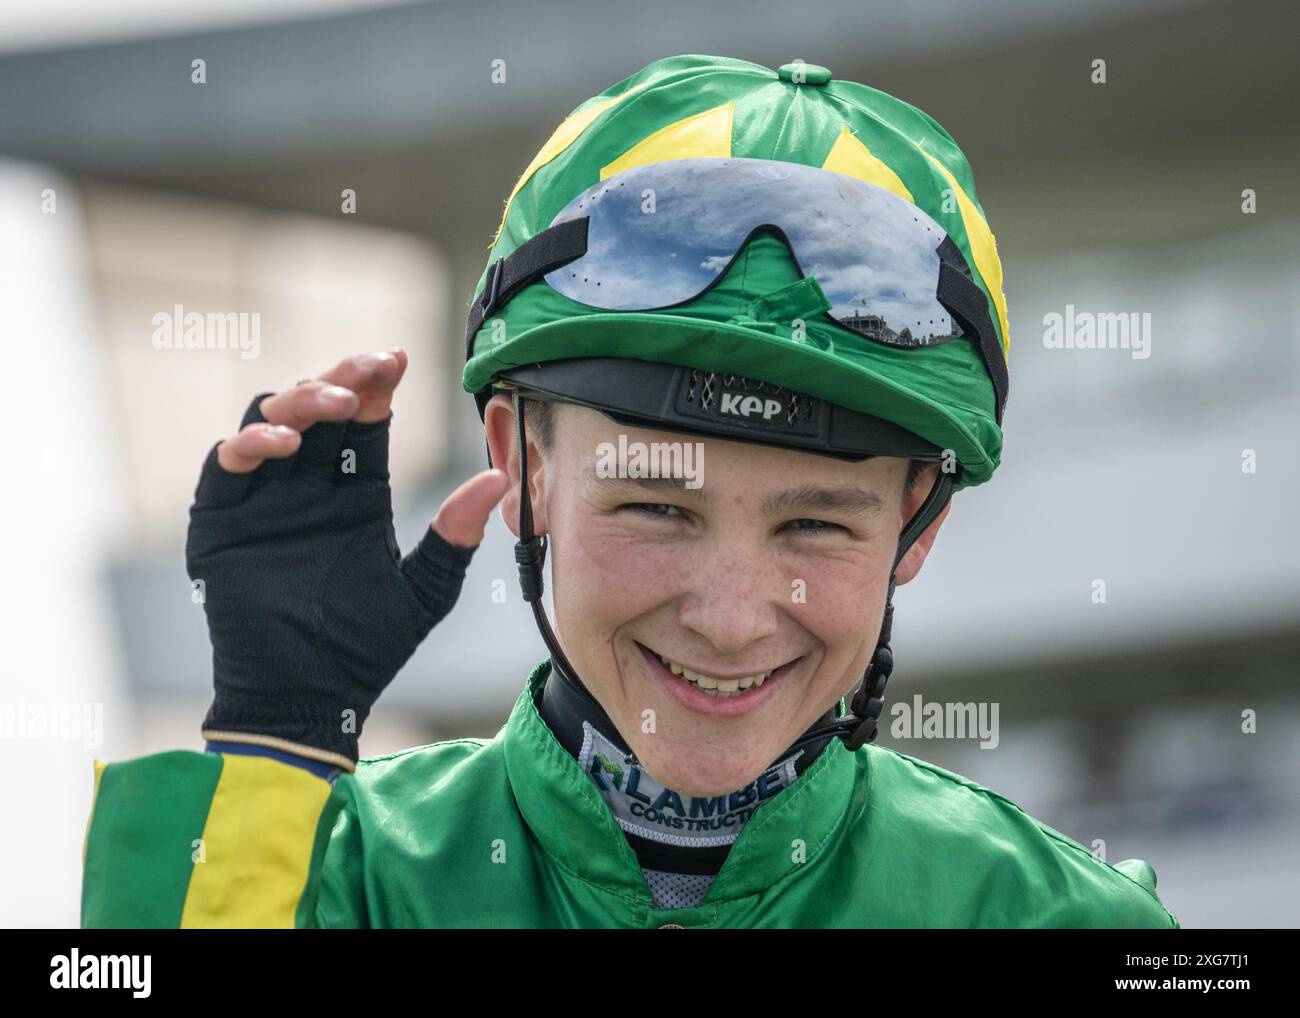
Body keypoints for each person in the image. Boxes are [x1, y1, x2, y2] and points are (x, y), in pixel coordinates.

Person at [81, 54, 1178, 928]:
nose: (731, 615)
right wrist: (274, 740)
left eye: (814, 523)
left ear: (917, 522)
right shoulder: (334, 883)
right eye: (657, 506)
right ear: (526, 466)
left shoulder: (1062, 918)